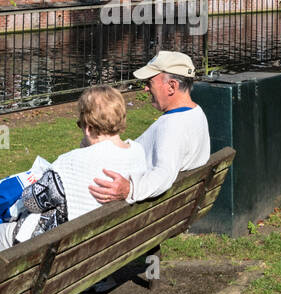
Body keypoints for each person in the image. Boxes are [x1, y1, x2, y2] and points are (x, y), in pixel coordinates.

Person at [0, 86, 147, 272]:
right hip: (109, 246)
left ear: (88, 127)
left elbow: (31, 202)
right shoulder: (138, 153)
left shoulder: (71, 162)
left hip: (59, 254)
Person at [89, 51, 211, 205]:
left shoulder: (172, 127)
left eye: (149, 83)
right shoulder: (196, 113)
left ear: (172, 86)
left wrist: (130, 189)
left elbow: (164, 174)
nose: (146, 89)